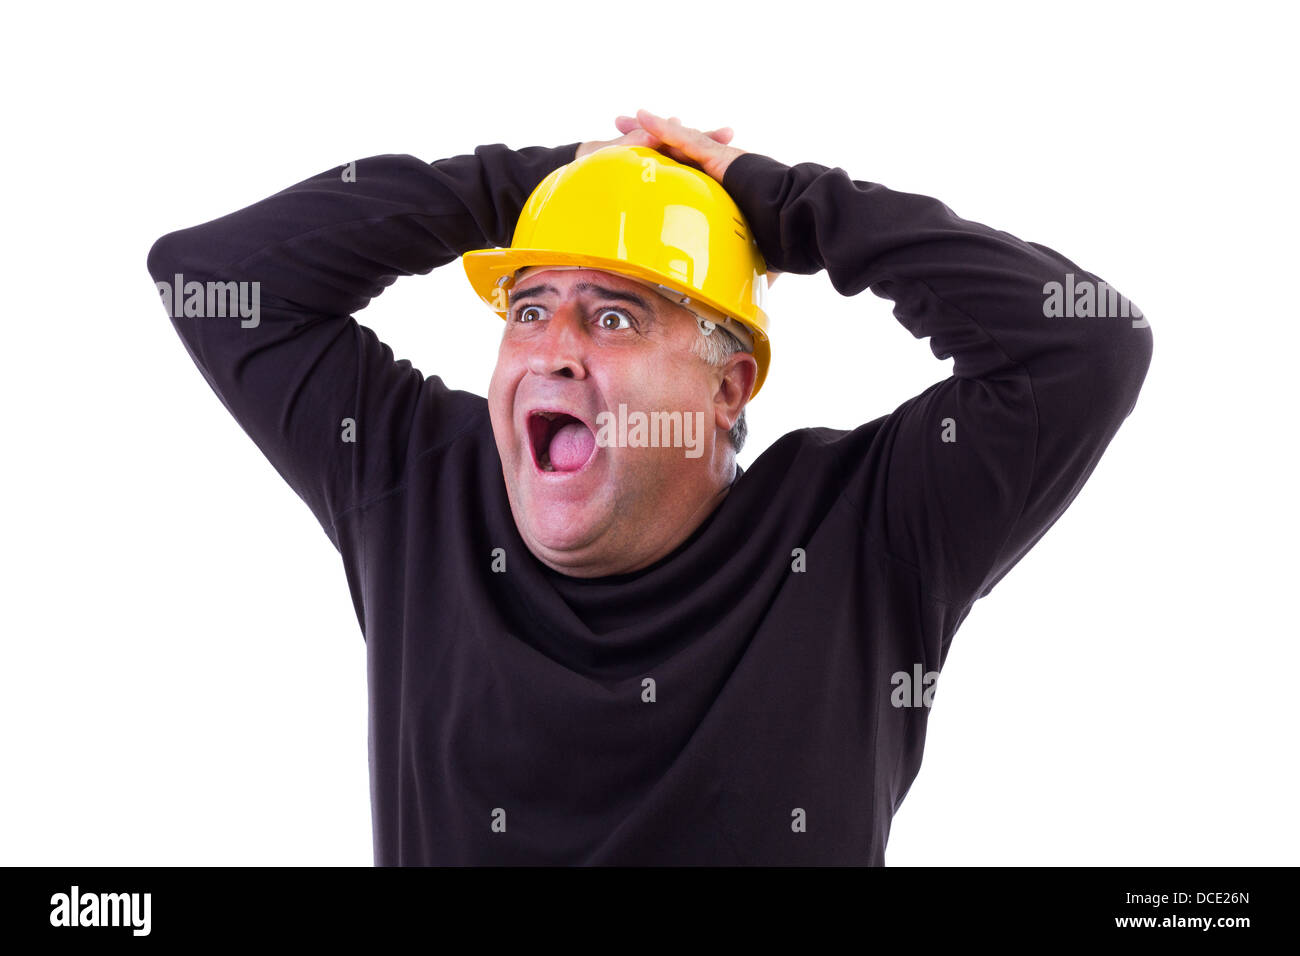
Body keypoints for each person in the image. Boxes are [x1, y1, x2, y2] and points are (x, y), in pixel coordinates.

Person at [146, 109, 1153, 865]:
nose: (553, 352)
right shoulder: (419, 484)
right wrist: (539, 187)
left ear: (729, 384)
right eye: (529, 307)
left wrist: (787, 204)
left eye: (616, 318)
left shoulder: (863, 539)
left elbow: (1084, 345)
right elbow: (214, 274)